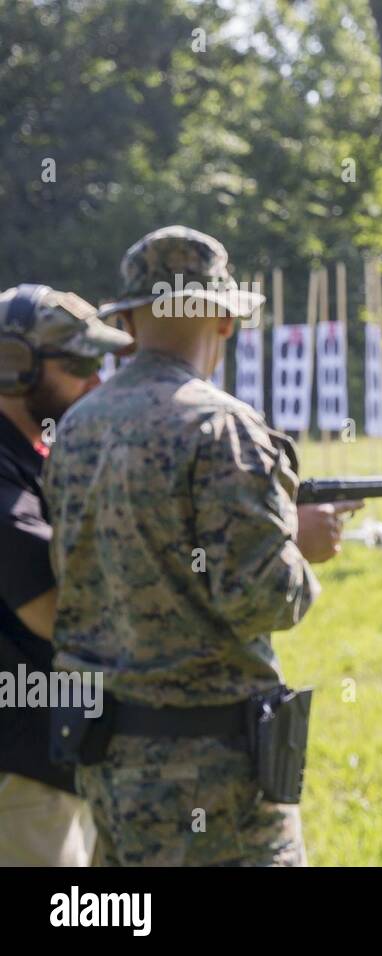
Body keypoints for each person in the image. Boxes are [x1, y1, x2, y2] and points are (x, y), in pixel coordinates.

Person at [44, 225, 357, 866]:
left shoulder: (76, 425)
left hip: (103, 753)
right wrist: (305, 549)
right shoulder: (222, 426)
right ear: (223, 321)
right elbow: (264, 599)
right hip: (212, 776)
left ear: (128, 321)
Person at [0, 284, 129, 866]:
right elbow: (57, 611)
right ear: (14, 366)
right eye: (78, 364)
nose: (95, 381)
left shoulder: (26, 457)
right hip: (18, 771)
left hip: (53, 750)